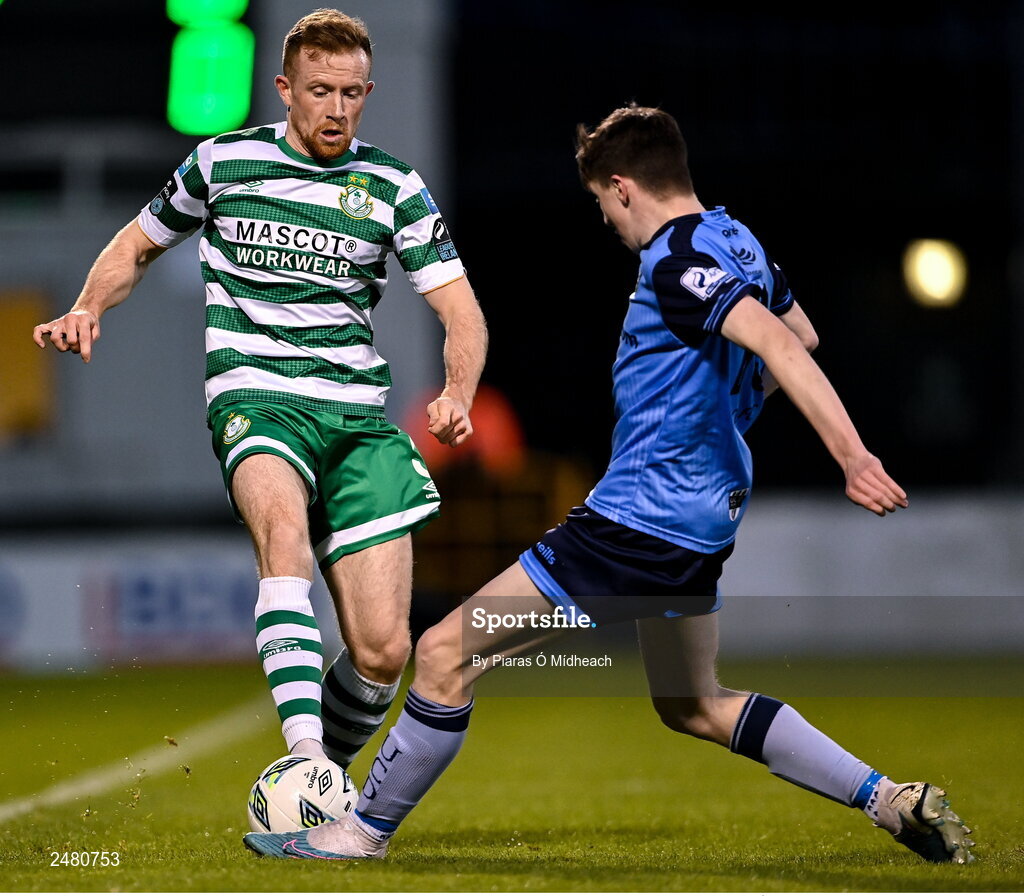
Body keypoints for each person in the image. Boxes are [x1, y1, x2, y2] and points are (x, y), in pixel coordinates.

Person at [242, 104, 974, 865]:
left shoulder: (674, 256)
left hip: (637, 520)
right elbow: (805, 334)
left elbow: (777, 346)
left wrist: (851, 455)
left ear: (623, 187)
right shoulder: (736, 238)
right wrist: (725, 412)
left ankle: (359, 833)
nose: (606, 221)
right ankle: (890, 799)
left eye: (601, 203)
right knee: (694, 704)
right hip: (702, 518)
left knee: (441, 654)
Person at [32, 10, 487, 772]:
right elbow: (135, 244)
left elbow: (460, 310)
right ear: (284, 89)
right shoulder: (222, 163)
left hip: (357, 419)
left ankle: (315, 786)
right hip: (257, 398)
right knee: (284, 547)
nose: (337, 109)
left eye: (352, 93)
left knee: (382, 652)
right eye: (320, 90)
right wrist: (86, 307)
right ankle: (303, 759)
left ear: (367, 91)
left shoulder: (393, 187)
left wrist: (458, 390)